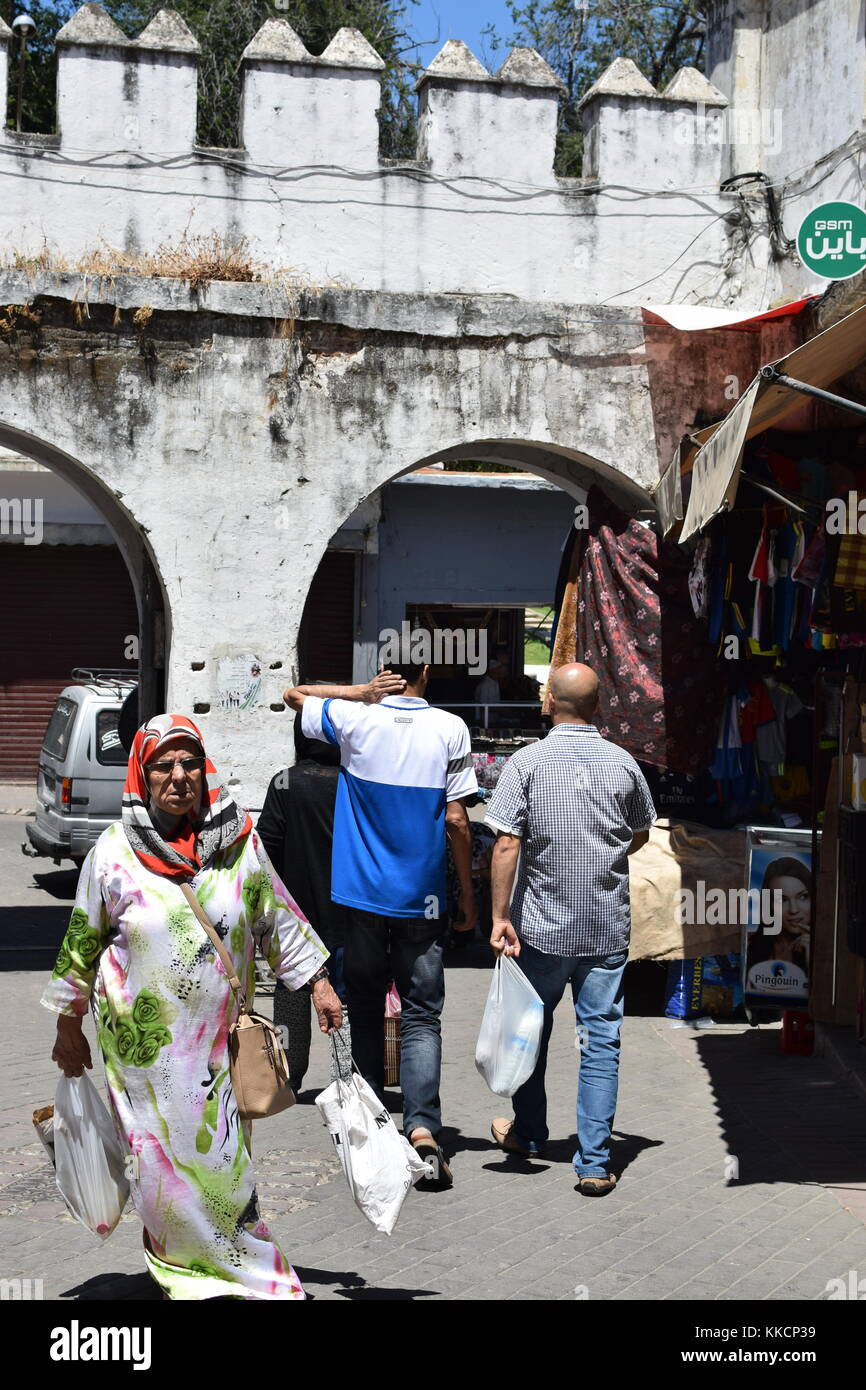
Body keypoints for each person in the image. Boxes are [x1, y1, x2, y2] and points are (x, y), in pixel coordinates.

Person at [43, 713, 342, 1299]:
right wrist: (67, 1025)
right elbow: (82, 939)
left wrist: (320, 985)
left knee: (223, 1170)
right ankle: (180, 1272)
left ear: (204, 773)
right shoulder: (112, 854)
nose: (178, 776)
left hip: (214, 1050)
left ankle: (243, 1268)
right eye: (164, 765)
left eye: (189, 763)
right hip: (142, 1053)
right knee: (159, 1169)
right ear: (142, 775)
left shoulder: (238, 844)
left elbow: (275, 917)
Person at [283, 662, 478, 1185]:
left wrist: (359, 692)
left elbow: (294, 692)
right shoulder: (449, 727)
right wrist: (468, 897)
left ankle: (371, 1126)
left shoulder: (354, 718)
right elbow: (458, 819)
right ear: (428, 669)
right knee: (420, 1016)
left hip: (362, 897)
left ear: (384, 669)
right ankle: (423, 1132)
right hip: (423, 897)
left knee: (365, 1007)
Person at [485, 662, 654, 1197]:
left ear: (549, 702)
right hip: (605, 929)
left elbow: (507, 842)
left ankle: (530, 1133)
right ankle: (595, 1163)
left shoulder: (527, 763)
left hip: (542, 928)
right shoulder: (623, 763)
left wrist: (499, 916)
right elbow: (640, 833)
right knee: (600, 1042)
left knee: (529, 1031)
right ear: (598, 706)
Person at [258, 710, 352, 1092]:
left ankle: (289, 1075)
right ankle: (349, 1075)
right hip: (351, 909)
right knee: (347, 995)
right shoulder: (357, 780)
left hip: (296, 914)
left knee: (291, 992)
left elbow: (266, 845)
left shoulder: (285, 783)